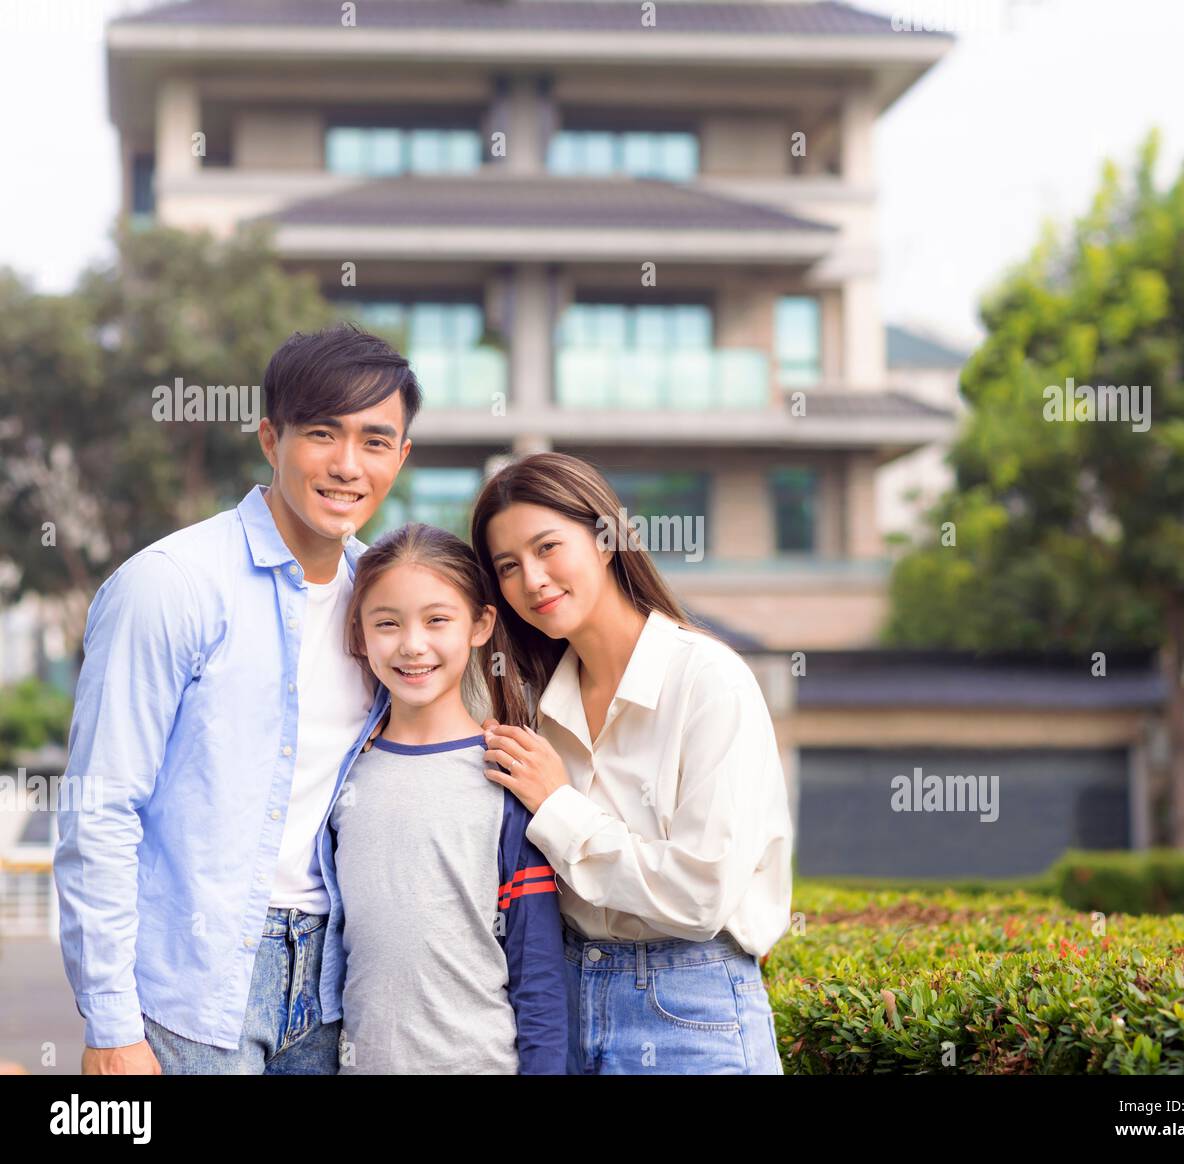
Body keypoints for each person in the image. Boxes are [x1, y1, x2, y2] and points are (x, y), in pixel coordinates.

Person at [53, 322, 418, 1074]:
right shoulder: (172, 583)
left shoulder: (384, 599)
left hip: (332, 986)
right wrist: (111, 1025)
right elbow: (100, 809)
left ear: (401, 456)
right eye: (322, 433)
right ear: (270, 438)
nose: (348, 465)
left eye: (376, 441)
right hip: (188, 987)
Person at [468, 451, 794, 1075]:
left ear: (608, 539)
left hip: (688, 1009)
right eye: (508, 567)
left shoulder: (707, 681)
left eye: (547, 548)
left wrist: (559, 807)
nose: (531, 579)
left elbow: (702, 895)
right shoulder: (531, 702)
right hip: (561, 1001)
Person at [320, 522, 566, 1074]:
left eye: (437, 620)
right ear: (359, 634)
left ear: (479, 625)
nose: (412, 645)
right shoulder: (340, 779)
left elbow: (538, 969)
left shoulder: (509, 775)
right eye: (387, 623)